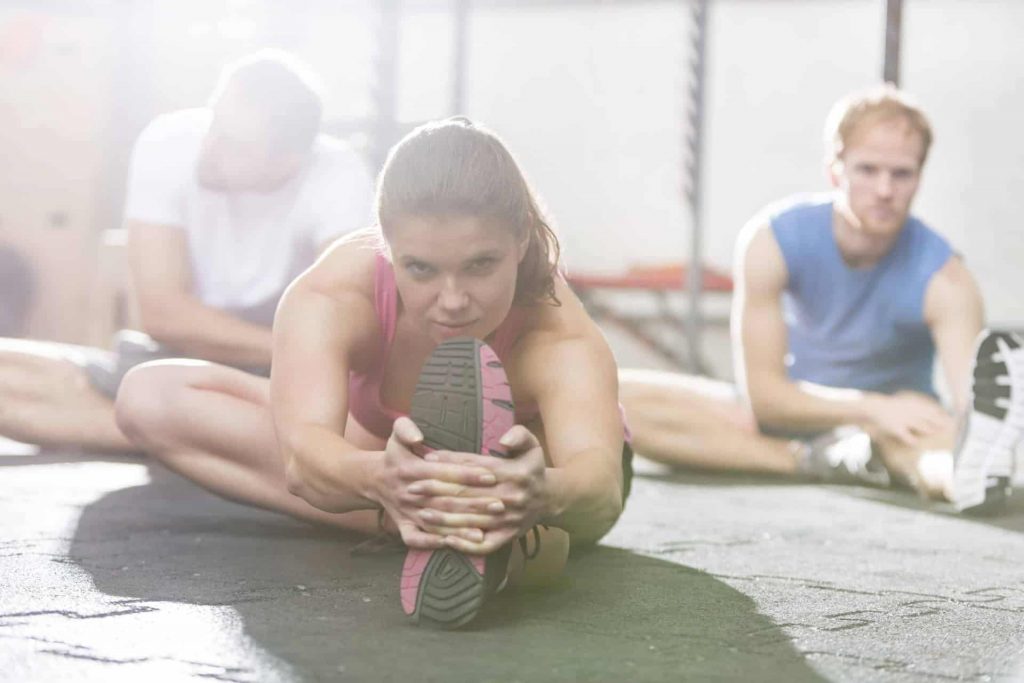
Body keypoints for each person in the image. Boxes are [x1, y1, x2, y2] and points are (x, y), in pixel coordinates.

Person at [114, 117, 631, 628]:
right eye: (421, 269)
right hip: (387, 459)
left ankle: (476, 526)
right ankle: (442, 527)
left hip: (526, 482)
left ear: (519, 242)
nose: (452, 300)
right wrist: (377, 475)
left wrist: (543, 492)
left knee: (553, 497)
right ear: (385, 245)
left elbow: (600, 487)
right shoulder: (334, 294)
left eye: (480, 265)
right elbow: (303, 457)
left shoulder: (555, 330)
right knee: (149, 395)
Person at [619, 85, 1023, 514]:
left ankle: (961, 482)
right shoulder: (771, 239)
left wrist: (930, 428)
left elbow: (971, 415)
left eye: (901, 174)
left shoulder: (949, 282)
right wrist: (872, 408)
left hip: (892, 434)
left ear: (919, 179)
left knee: (943, 445)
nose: (884, 189)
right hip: (794, 417)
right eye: (867, 170)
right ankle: (818, 460)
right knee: (615, 395)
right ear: (835, 172)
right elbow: (764, 399)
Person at [0, 49, 373, 451]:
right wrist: (302, 347)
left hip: (275, 377)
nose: (209, 147)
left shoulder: (339, 174)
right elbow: (164, 316)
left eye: (234, 144)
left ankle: (177, 430)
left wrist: (305, 356)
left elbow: (342, 324)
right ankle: (197, 436)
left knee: (325, 410)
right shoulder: (170, 141)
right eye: (215, 122)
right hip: (180, 360)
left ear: (289, 161)